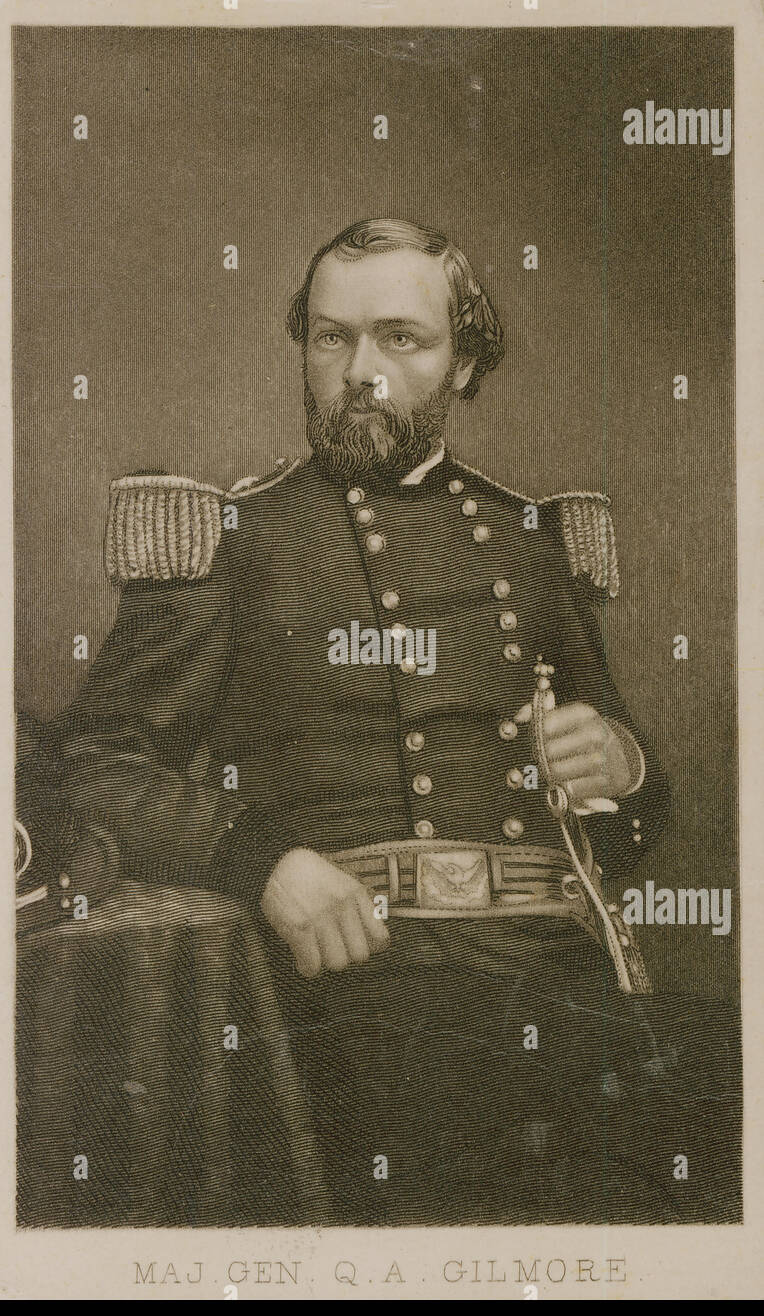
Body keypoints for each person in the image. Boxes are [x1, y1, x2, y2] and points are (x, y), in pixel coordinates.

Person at [52, 218, 697, 1224]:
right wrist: (258, 857)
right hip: (355, 1000)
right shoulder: (229, 536)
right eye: (329, 337)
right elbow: (89, 766)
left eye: (399, 337)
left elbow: (627, 821)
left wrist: (620, 761)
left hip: (561, 976)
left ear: (465, 361)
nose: (360, 370)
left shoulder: (529, 539)